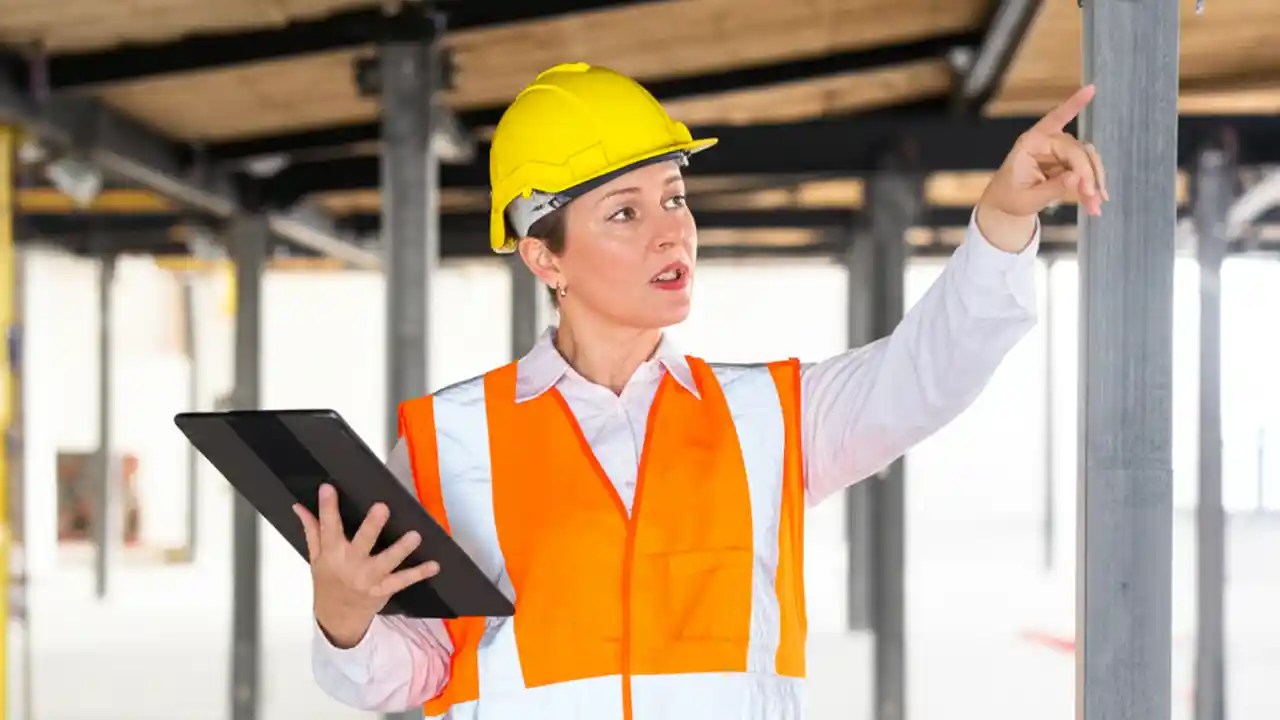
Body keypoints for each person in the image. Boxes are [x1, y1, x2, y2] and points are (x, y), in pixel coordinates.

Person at [294, 63, 1109, 719]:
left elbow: (926, 373)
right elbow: (413, 673)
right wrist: (345, 616)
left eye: (675, 198)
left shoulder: (770, 418)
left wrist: (1003, 217)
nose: (671, 229)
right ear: (545, 258)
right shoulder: (450, 439)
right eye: (623, 212)